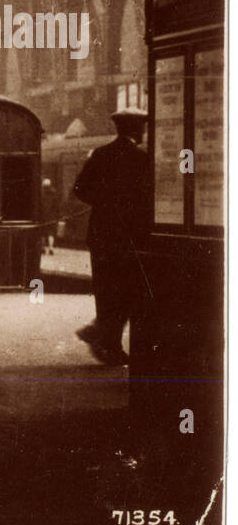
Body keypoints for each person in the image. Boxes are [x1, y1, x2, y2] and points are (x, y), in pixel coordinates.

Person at [72, 107, 151, 366]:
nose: (144, 131)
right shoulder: (141, 159)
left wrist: (104, 203)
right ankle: (105, 340)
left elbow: (79, 189)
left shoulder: (100, 154)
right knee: (128, 291)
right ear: (135, 129)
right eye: (142, 126)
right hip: (128, 236)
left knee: (106, 291)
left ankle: (106, 340)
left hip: (101, 234)